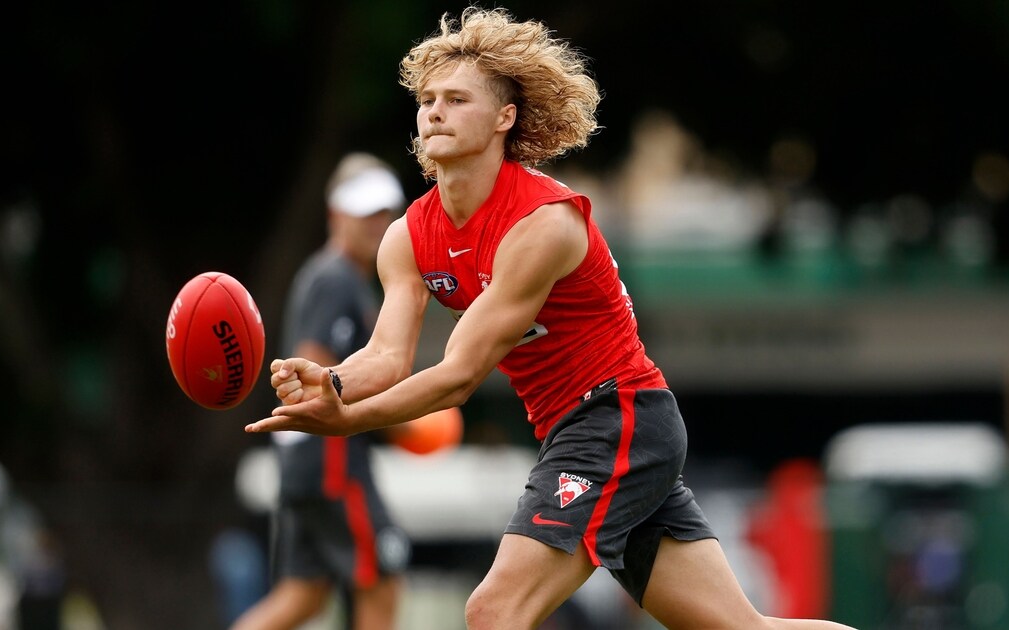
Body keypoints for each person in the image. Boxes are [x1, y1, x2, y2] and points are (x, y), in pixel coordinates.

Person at [246, 8, 858, 630]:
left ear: (504, 118)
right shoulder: (406, 237)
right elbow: (385, 356)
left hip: (617, 419)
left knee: (494, 610)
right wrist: (333, 382)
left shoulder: (543, 224)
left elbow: (459, 376)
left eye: (457, 100)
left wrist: (346, 420)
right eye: (427, 100)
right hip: (583, 432)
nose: (434, 112)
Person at [232, 153, 411, 630]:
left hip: (301, 462)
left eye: (384, 211)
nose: (376, 223)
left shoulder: (330, 276)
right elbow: (311, 376)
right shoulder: (337, 279)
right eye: (364, 211)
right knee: (383, 580)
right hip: (331, 461)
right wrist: (404, 416)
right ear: (335, 214)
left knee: (303, 596)